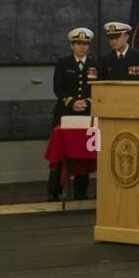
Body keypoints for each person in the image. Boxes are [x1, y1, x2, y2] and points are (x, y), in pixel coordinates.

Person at [47, 26, 97, 201]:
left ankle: (81, 192)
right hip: (65, 112)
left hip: (87, 114)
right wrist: (72, 102)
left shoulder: (95, 64)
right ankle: (55, 191)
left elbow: (99, 88)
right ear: (72, 45)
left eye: (85, 44)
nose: (81, 47)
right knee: (60, 152)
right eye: (78, 43)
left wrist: (87, 102)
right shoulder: (63, 63)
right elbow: (57, 88)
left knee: (84, 154)